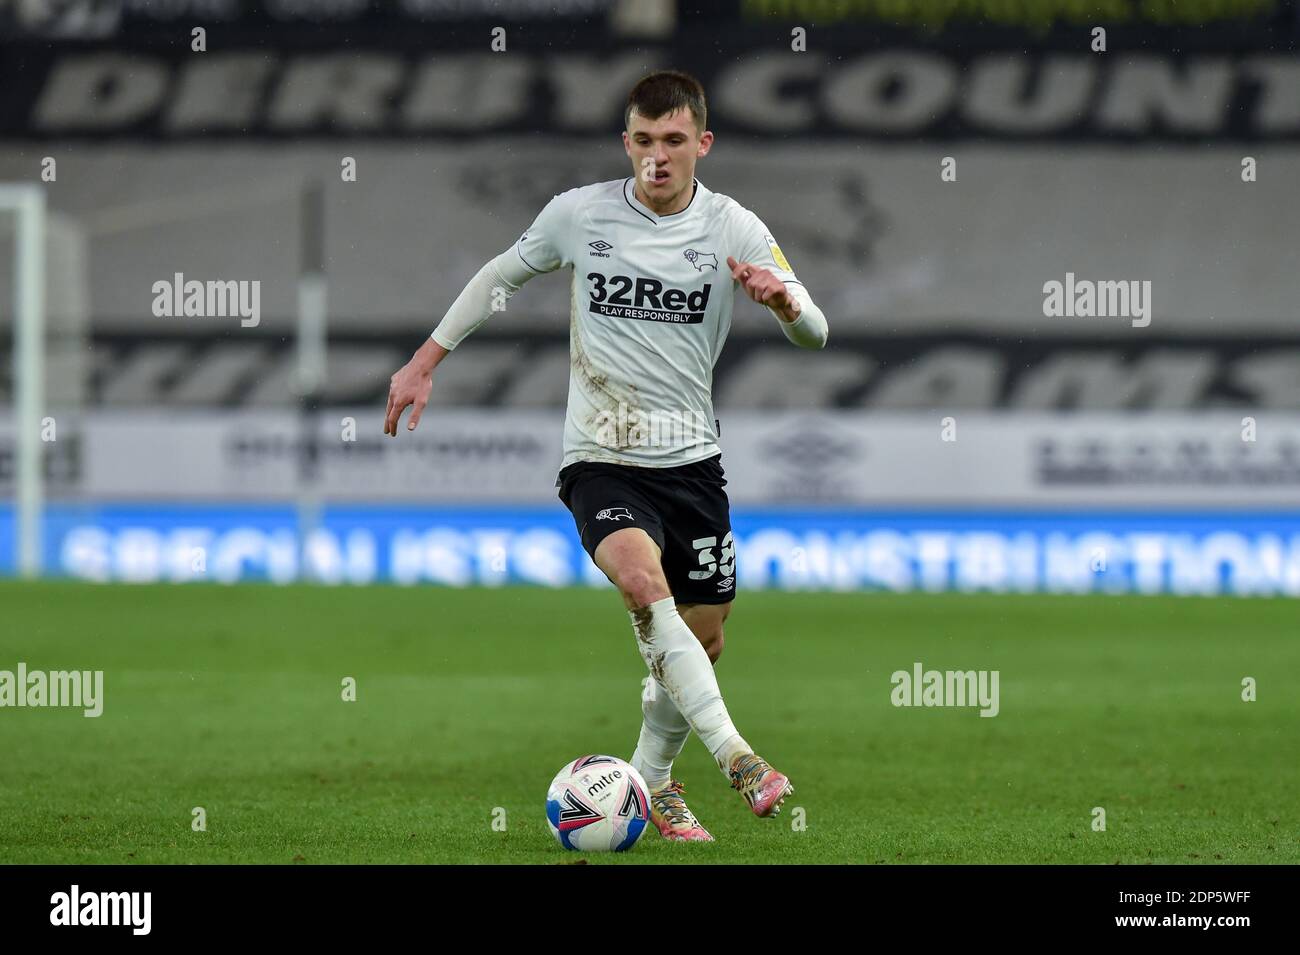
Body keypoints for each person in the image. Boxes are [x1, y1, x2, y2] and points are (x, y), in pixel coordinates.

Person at [385, 70, 829, 842]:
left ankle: (651, 781)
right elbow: (500, 276)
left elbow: (816, 330)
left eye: (675, 141)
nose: (659, 156)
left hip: (692, 462)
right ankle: (739, 757)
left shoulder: (735, 228)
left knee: (705, 636)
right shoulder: (579, 214)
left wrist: (784, 301)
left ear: (703, 143)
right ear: (627, 142)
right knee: (638, 578)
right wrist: (426, 359)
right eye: (645, 141)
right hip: (600, 454)